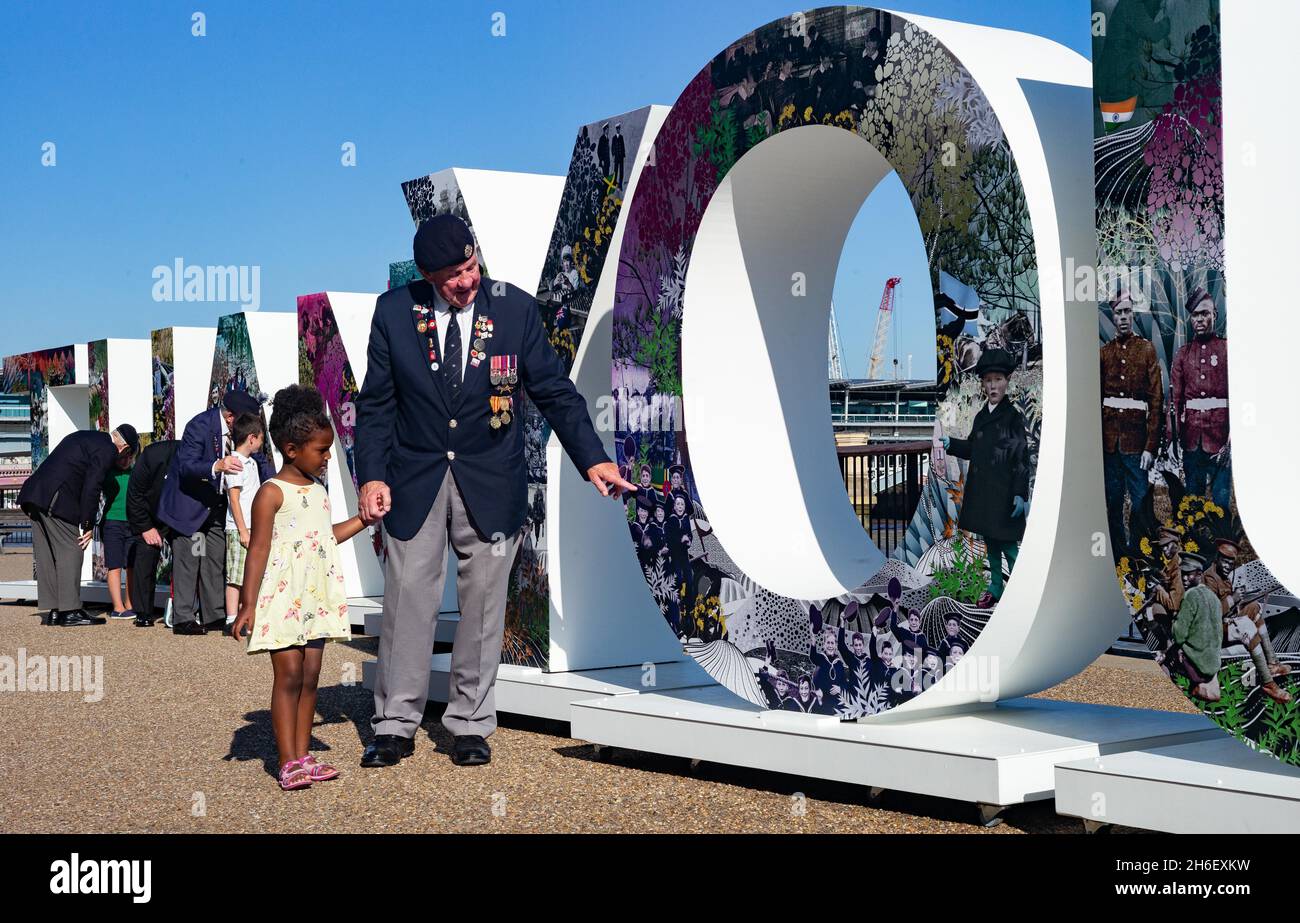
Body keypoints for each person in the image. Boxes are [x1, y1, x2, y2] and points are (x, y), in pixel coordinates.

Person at [354, 214, 634, 768]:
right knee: (409, 599)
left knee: (485, 606)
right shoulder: (392, 312)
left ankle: (470, 723)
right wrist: (372, 475)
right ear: (429, 275)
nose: (467, 280)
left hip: (492, 481)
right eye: (454, 274)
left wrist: (593, 458)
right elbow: (376, 404)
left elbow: (554, 389)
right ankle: (394, 723)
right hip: (414, 481)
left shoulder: (514, 308)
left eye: (471, 265)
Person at [228, 385, 367, 791]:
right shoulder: (270, 494)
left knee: (310, 676)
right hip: (283, 597)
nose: (326, 459)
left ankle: (304, 754)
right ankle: (287, 761)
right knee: (288, 674)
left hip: (316, 596)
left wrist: (363, 520)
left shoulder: (319, 492)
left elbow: (325, 538)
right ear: (292, 449)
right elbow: (258, 550)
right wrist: (248, 604)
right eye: (321, 451)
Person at [157, 390, 274, 636]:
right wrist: (216, 465)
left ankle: (215, 615)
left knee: (215, 559)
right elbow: (187, 465)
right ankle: (183, 618)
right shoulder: (199, 426)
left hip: (218, 507)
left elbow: (262, 462)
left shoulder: (243, 434)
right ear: (230, 417)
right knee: (189, 558)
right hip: (188, 504)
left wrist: (275, 486)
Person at [18, 424, 140, 626]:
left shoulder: (88, 437)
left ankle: (55, 610)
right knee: (72, 549)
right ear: (125, 447)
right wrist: (88, 524)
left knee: (47, 554)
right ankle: (70, 610)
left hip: (35, 494)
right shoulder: (108, 449)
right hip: (56, 499)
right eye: (129, 453)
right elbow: (92, 486)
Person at [941, 348, 1031, 608]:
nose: (993, 385)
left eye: (998, 380)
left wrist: (1019, 494)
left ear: (1007, 382)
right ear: (983, 383)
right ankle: (996, 587)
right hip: (984, 492)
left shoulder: (1013, 417)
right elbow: (972, 448)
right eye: (988, 380)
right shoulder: (981, 415)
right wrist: (951, 444)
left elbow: (1021, 458)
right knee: (991, 543)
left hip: (1003, 493)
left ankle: (1021, 590)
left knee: (1008, 546)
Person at [1100, 291, 1163, 557]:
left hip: (1136, 444)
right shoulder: (1104, 353)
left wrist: (1150, 446)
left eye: (1127, 312)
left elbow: (1156, 401)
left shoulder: (1146, 349)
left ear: (1133, 315)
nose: (1123, 317)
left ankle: (1141, 554)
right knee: (1113, 502)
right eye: (1118, 313)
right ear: (1113, 317)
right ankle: (1118, 556)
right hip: (1110, 443)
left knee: (1140, 502)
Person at [1169, 288, 1229, 509]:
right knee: (1192, 501)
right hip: (1192, 438)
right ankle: (1195, 541)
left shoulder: (1226, 350)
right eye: (1195, 315)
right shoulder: (1183, 354)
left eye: (1205, 314)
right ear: (1190, 318)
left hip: (1220, 437)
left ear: (1215, 314)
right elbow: (1175, 401)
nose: (1200, 319)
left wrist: (1232, 440)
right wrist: (1172, 437)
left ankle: (1223, 542)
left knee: (1221, 501)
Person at [1204, 536, 1290, 687]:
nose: (1227, 566)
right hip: (1214, 630)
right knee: (1247, 624)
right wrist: (1234, 598)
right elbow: (1212, 612)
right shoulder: (1209, 578)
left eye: (1231, 563)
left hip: (1226, 621)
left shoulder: (1224, 577)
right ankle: (1268, 679)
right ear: (1217, 559)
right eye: (1225, 561)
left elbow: (1228, 606)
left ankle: (1272, 662)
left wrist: (1239, 600)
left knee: (1254, 606)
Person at [125, 438, 179, 627]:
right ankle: (143, 612)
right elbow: (134, 494)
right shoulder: (152, 455)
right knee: (145, 556)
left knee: (189, 556)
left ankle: (184, 610)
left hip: (181, 515)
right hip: (151, 513)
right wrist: (145, 527)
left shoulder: (199, 458)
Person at [223, 412, 265, 632]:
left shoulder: (251, 463)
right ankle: (231, 618)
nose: (261, 442)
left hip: (253, 525)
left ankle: (245, 616)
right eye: (260, 438)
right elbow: (234, 498)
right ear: (251, 438)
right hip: (240, 527)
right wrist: (242, 530)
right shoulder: (235, 463)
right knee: (236, 575)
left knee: (250, 573)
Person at [98, 454, 137, 619]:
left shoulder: (135, 472)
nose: (125, 461)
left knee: (131, 566)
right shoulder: (108, 473)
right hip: (112, 522)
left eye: (129, 458)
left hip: (133, 522)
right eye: (122, 458)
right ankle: (117, 607)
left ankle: (130, 604)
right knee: (114, 565)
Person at [611, 121, 626, 188]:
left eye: (619, 129)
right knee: (615, 170)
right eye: (617, 129)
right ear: (616, 129)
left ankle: (620, 184)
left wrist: (623, 154)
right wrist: (613, 155)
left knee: (621, 171)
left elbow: (623, 146)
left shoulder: (621, 137)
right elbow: (612, 147)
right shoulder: (614, 138)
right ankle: (614, 183)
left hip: (621, 157)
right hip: (616, 157)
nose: (618, 130)